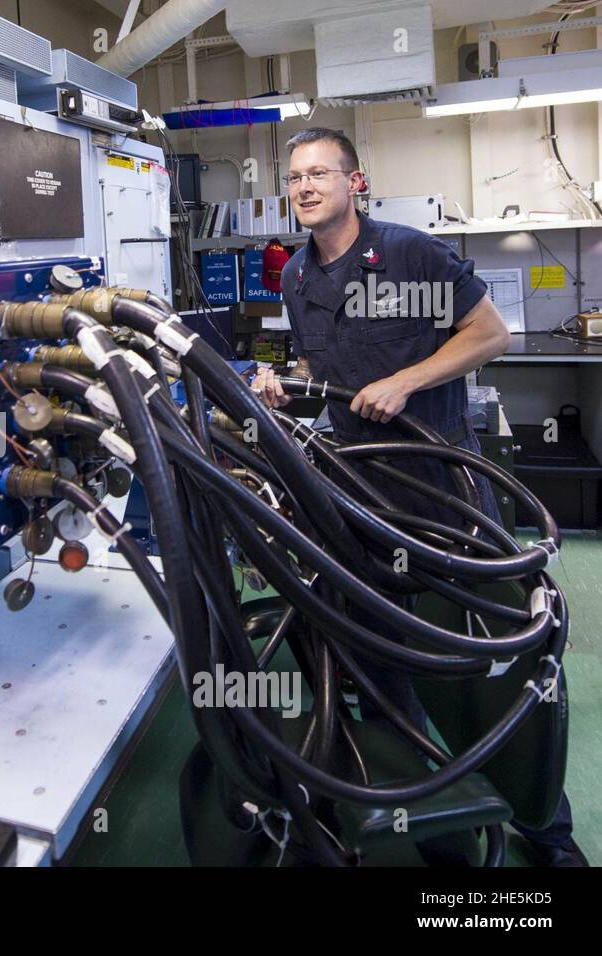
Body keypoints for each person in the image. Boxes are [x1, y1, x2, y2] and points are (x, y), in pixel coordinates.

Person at [249, 126, 586, 867]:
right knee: (379, 661)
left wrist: (409, 379)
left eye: (320, 174)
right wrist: (282, 386)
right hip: (360, 502)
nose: (305, 187)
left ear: (354, 183)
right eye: (295, 177)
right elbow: (317, 364)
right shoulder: (295, 278)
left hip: (443, 498)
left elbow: (488, 333)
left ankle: (545, 833)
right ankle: (430, 828)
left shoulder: (406, 254)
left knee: (483, 660)